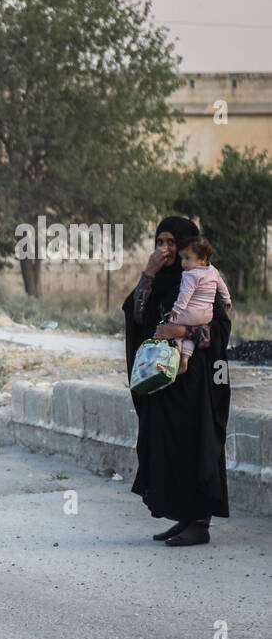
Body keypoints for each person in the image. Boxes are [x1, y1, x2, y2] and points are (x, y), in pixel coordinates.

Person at [122, 216, 231, 548]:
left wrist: (181, 331)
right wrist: (149, 274)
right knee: (168, 446)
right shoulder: (160, 279)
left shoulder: (203, 277)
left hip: (198, 382)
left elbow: (221, 329)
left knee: (196, 443)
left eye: (172, 242)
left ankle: (200, 521)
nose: (166, 249)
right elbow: (136, 314)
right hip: (164, 380)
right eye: (160, 242)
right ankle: (184, 516)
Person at [166, 237, 232, 376]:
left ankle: (176, 355)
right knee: (191, 337)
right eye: (182, 258)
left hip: (191, 313)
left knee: (171, 325)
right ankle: (186, 358)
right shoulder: (213, 271)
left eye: (187, 258)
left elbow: (185, 294)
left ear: (202, 259)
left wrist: (176, 310)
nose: (183, 263)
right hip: (206, 316)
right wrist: (227, 300)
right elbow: (222, 286)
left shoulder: (190, 274)